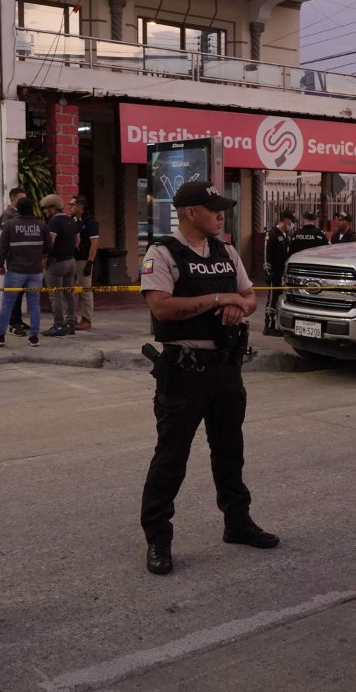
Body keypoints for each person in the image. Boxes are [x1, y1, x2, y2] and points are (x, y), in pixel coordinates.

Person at [139, 180, 276, 575]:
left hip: (226, 369)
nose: (221, 214)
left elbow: (249, 296)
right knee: (171, 458)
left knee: (230, 451)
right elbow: (162, 307)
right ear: (189, 213)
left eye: (222, 209)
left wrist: (239, 307)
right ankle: (158, 538)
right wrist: (220, 299)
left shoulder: (226, 251)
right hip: (185, 370)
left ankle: (238, 523)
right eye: (212, 208)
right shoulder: (162, 253)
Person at [0, 197, 52, 349]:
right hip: (36, 272)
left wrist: (0, 264)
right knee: (34, 304)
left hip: (15, 271)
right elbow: (49, 247)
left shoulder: (10, 225)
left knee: (7, 304)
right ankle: (34, 338)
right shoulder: (41, 226)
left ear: (18, 210)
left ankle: (0, 336)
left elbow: (2, 247)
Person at [40, 194, 78, 337]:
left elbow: (50, 242)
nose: (45, 212)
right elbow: (77, 241)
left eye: (46, 208)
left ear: (53, 207)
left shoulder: (54, 222)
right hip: (71, 261)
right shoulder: (70, 221)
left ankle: (58, 325)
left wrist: (44, 257)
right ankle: (70, 323)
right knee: (69, 294)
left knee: (55, 296)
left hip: (56, 263)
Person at [0, 187, 32, 336]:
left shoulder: (21, 215)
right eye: (20, 199)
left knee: (21, 293)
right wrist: (0, 262)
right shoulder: (7, 216)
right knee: (14, 293)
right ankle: (13, 323)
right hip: (13, 260)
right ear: (12, 199)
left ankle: (18, 320)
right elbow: (6, 240)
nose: (23, 201)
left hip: (24, 260)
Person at [262, 210, 294, 337]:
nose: (291, 224)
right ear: (286, 220)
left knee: (278, 298)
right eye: (291, 221)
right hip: (274, 272)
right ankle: (268, 326)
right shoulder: (272, 234)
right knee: (272, 299)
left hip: (282, 272)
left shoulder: (285, 235)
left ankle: (276, 324)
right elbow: (266, 254)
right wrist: (267, 272)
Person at [70, 195, 100, 331]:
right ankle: (71, 318)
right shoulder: (73, 221)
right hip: (72, 260)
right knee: (70, 290)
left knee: (85, 290)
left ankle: (87, 319)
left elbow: (94, 243)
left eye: (73, 205)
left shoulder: (90, 222)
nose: (70, 207)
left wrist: (90, 262)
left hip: (83, 260)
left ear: (81, 207)